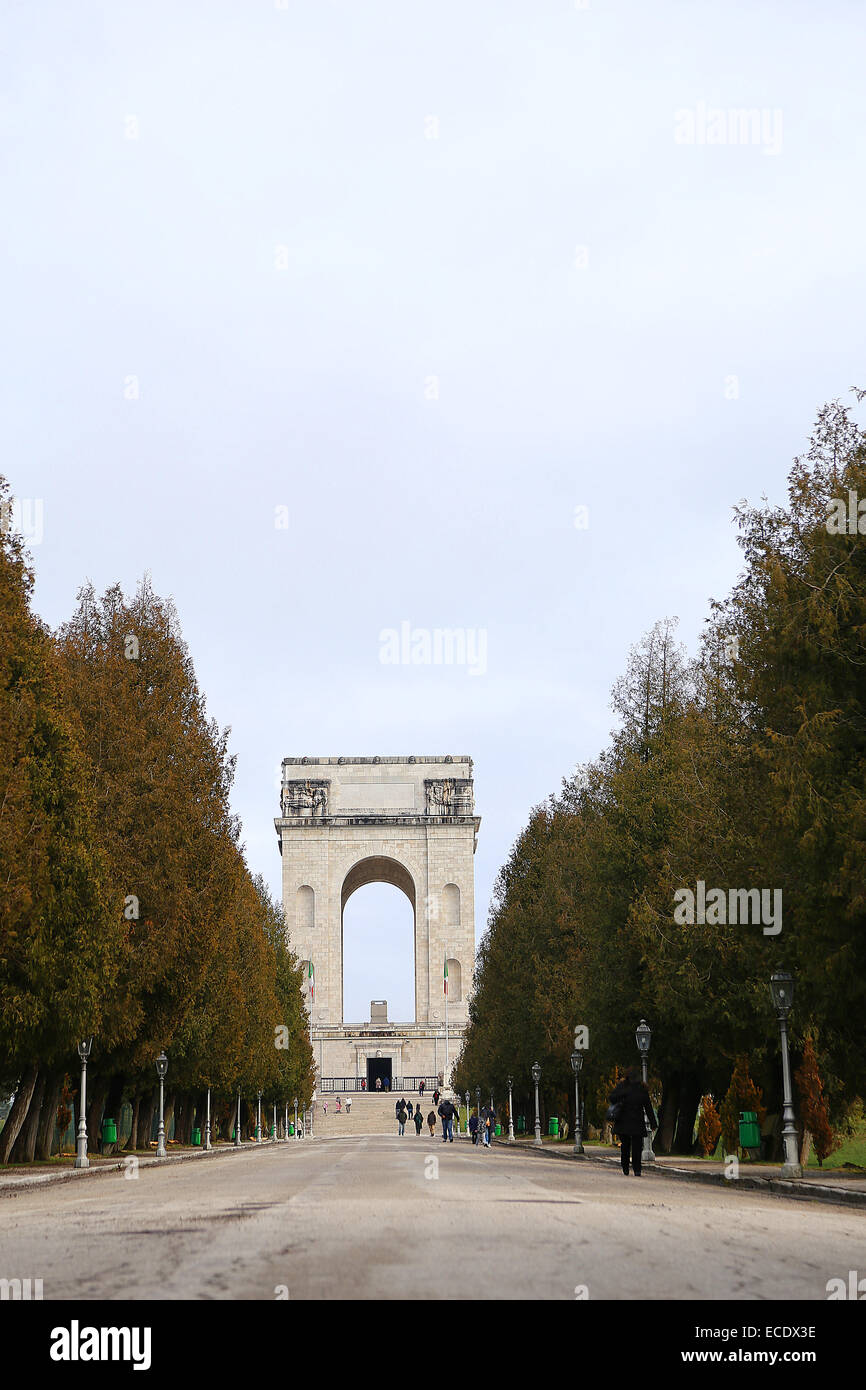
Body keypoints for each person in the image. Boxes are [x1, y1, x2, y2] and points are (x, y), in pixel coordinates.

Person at [608, 1066, 657, 1176]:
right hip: (636, 1122)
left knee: (625, 1146)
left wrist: (622, 1095)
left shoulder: (622, 1087)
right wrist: (653, 1123)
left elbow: (612, 1098)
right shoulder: (642, 1089)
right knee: (636, 1147)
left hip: (624, 1122)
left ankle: (626, 1167)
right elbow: (648, 1107)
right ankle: (637, 1169)